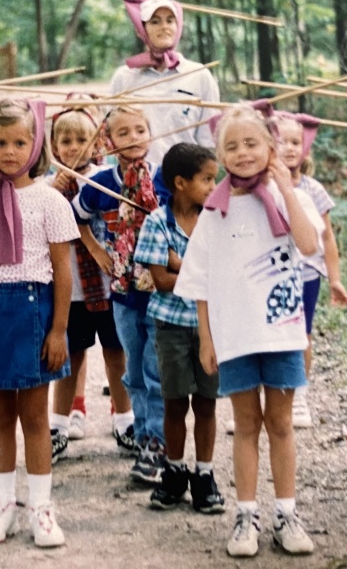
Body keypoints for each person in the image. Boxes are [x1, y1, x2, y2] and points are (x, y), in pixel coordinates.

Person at [173, 104, 323, 558]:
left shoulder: (288, 197)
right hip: (235, 334)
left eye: (252, 143)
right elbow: (200, 280)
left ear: (271, 148)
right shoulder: (214, 210)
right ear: (220, 156)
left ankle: (287, 514)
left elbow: (308, 244)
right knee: (245, 425)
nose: (242, 153)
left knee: (281, 423)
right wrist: (206, 337)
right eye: (232, 146)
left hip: (281, 332)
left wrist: (286, 187)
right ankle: (246, 515)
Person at [0, 99, 78, 547]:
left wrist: (58, 329)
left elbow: (62, 271)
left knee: (35, 416)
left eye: (20, 142)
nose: (8, 151)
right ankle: (1, 504)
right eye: (0, 142)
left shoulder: (50, 201)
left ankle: (41, 507)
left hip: (34, 311)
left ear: (36, 145)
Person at [73, 106, 167, 485]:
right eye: (123, 133)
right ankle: (143, 436)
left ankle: (158, 442)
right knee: (135, 371)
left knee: (157, 371)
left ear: (150, 133)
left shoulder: (164, 179)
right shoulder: (99, 183)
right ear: (108, 141)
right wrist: (96, 250)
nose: (133, 138)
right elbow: (75, 217)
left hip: (161, 294)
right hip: (123, 295)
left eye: (140, 130)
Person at [134, 142, 225, 514]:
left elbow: (222, 274)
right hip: (170, 325)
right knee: (173, 401)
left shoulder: (217, 220)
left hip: (210, 328)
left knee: (206, 403)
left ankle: (204, 474)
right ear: (180, 183)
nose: (213, 187)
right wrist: (195, 272)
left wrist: (179, 264)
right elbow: (160, 281)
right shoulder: (157, 222)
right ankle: (174, 471)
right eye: (207, 179)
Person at [46, 107, 133, 464]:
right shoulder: (47, 186)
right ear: (54, 146)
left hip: (108, 285)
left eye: (82, 139)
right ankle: (58, 426)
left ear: (97, 144)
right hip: (71, 290)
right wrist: (53, 193)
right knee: (71, 356)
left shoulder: (104, 178)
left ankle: (125, 421)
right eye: (65, 140)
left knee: (116, 353)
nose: (74, 147)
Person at [275, 114, 347, 427]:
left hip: (306, 274)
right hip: (269, 274)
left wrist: (335, 279)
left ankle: (298, 397)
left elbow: (327, 237)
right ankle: (264, 397)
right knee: (269, 333)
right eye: (281, 141)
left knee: (301, 334)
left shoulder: (313, 189)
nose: (290, 148)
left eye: (296, 142)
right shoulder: (258, 186)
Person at [109, 0, 220, 166]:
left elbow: (208, 140)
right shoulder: (124, 77)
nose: (164, 27)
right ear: (140, 29)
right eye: (155, 22)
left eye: (170, 21)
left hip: (185, 174)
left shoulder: (199, 75)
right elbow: (112, 134)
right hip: (136, 175)